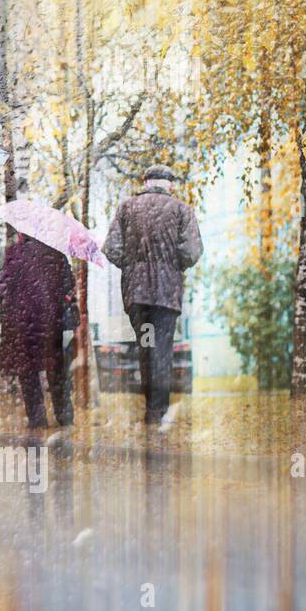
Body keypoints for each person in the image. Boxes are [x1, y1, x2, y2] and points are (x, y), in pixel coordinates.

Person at [102, 163, 202, 424]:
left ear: (146, 181)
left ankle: (151, 408)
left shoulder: (126, 209)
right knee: (162, 350)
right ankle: (158, 410)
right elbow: (192, 252)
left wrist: (133, 263)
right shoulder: (182, 210)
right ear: (169, 184)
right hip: (166, 297)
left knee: (146, 347)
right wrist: (172, 263)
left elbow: (111, 248)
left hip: (137, 296)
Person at [0, 231, 76, 429]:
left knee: (28, 369)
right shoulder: (56, 253)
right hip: (52, 319)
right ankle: (64, 414)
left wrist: (7, 307)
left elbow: (4, 287)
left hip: (24, 322)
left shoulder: (14, 253)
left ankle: (37, 416)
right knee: (56, 368)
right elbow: (69, 283)